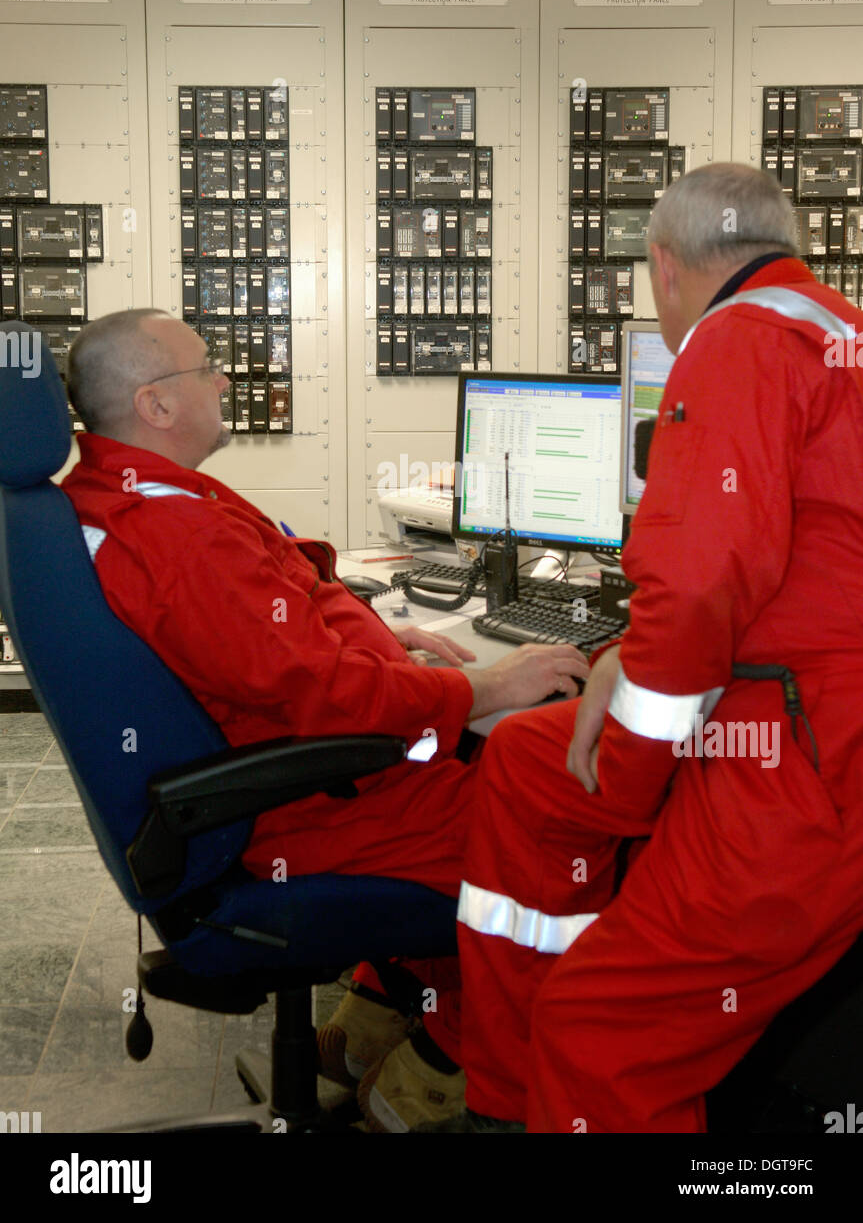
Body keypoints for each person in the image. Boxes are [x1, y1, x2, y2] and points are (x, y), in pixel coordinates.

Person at [60, 309, 588, 1131]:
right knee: (560, 831)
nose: (226, 382)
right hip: (302, 805)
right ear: (155, 405)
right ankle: (448, 1071)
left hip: (279, 781)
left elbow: (276, 638)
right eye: (207, 370)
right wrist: (488, 687)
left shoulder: (122, 496)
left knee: (499, 773)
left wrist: (381, 639)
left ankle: (363, 1029)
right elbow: (317, 690)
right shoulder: (174, 535)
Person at [421, 161, 863, 1133]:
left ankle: (567, 1049)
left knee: (596, 1034)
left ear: (663, 267)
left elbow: (703, 576)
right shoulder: (828, 329)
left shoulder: (735, 341)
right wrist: (624, 644)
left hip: (800, 763)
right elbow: (774, 562)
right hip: (791, 710)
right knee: (529, 768)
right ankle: (502, 1092)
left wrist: (623, 775)